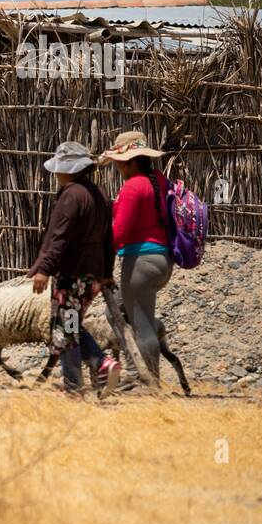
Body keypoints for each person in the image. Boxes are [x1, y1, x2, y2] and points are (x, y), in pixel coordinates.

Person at [28, 141, 121, 396]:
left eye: (59, 168)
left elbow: (59, 237)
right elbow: (107, 239)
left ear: (69, 169)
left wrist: (44, 269)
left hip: (71, 275)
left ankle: (93, 370)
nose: (56, 174)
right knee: (71, 325)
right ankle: (84, 377)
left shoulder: (71, 195)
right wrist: (107, 274)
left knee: (66, 329)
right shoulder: (101, 195)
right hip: (92, 276)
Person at [100, 131, 172, 384]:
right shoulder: (159, 181)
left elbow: (119, 231)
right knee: (116, 312)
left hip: (139, 261)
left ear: (132, 161)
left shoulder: (133, 186)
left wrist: (101, 260)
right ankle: (135, 369)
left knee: (142, 326)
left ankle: (150, 383)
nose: (117, 166)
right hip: (161, 259)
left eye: (121, 161)